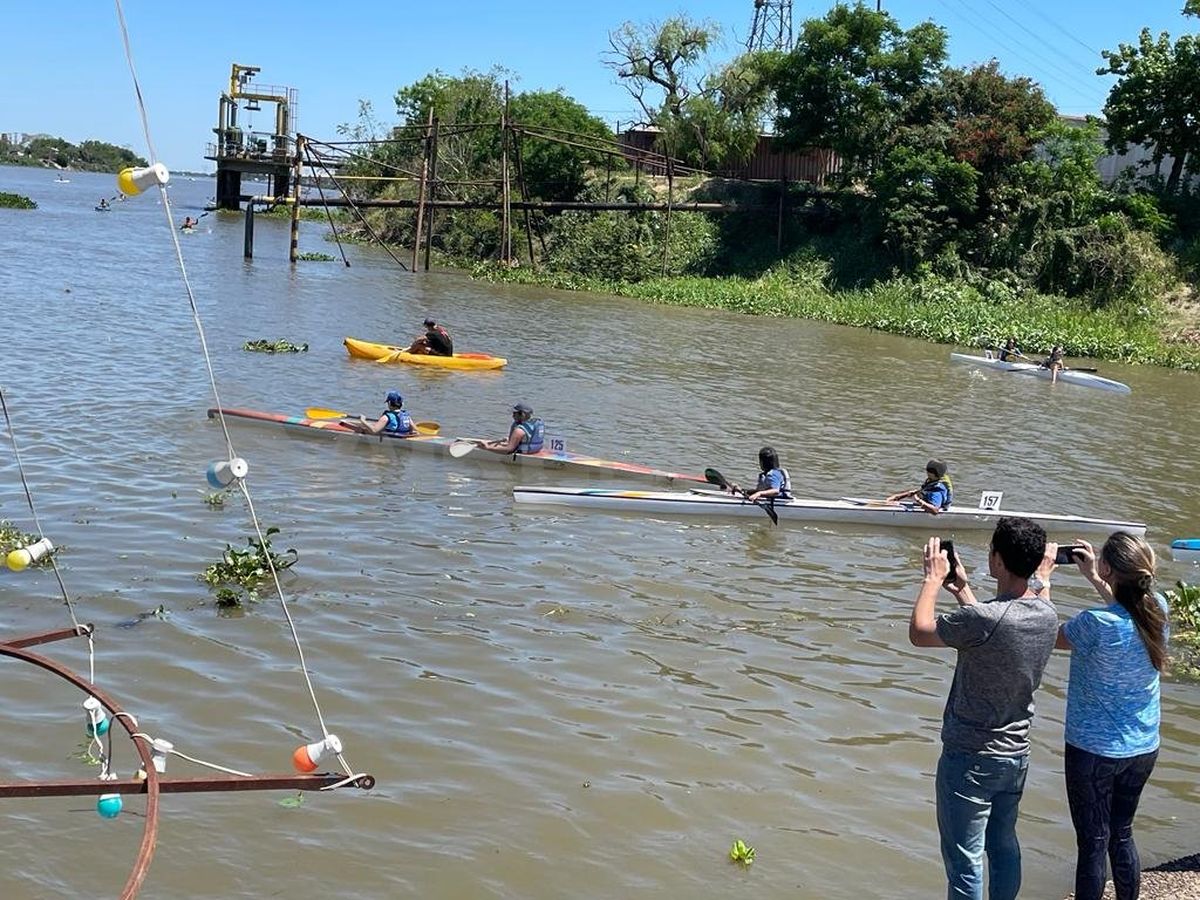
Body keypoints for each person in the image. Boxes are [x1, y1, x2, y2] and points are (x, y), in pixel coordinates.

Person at [909, 518, 1060, 900]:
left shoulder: (984, 620)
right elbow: (996, 626)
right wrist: (963, 592)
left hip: (970, 758)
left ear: (997, 561)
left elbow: (919, 632)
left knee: (964, 861)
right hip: (1015, 756)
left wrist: (932, 579)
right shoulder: (1046, 614)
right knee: (1004, 846)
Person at [1055, 532, 1168, 900]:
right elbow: (1129, 610)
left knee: (1092, 844)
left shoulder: (1094, 624)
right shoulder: (1158, 609)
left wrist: (1042, 577)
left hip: (1094, 751)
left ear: (1107, 567)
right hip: (1142, 749)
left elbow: (1043, 633)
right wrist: (1095, 578)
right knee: (1121, 833)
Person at [886, 459, 953, 514]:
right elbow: (919, 492)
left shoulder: (937, 490)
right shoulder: (933, 481)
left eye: (928, 471)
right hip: (926, 504)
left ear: (934, 473)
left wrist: (918, 500)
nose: (926, 472)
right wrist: (897, 497)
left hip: (931, 512)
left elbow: (935, 510)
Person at [477, 403, 544, 455]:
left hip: (524, 453)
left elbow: (508, 450)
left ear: (522, 414)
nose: (513, 416)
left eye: (515, 414)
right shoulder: (536, 423)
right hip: (536, 450)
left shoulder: (519, 431)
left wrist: (487, 448)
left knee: (489, 447)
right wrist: (509, 439)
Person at [346, 390, 414, 437]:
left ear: (389, 403)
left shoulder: (386, 417)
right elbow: (412, 429)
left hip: (391, 438)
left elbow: (374, 431)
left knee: (364, 429)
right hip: (401, 436)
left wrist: (362, 420)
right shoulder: (407, 416)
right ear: (401, 403)